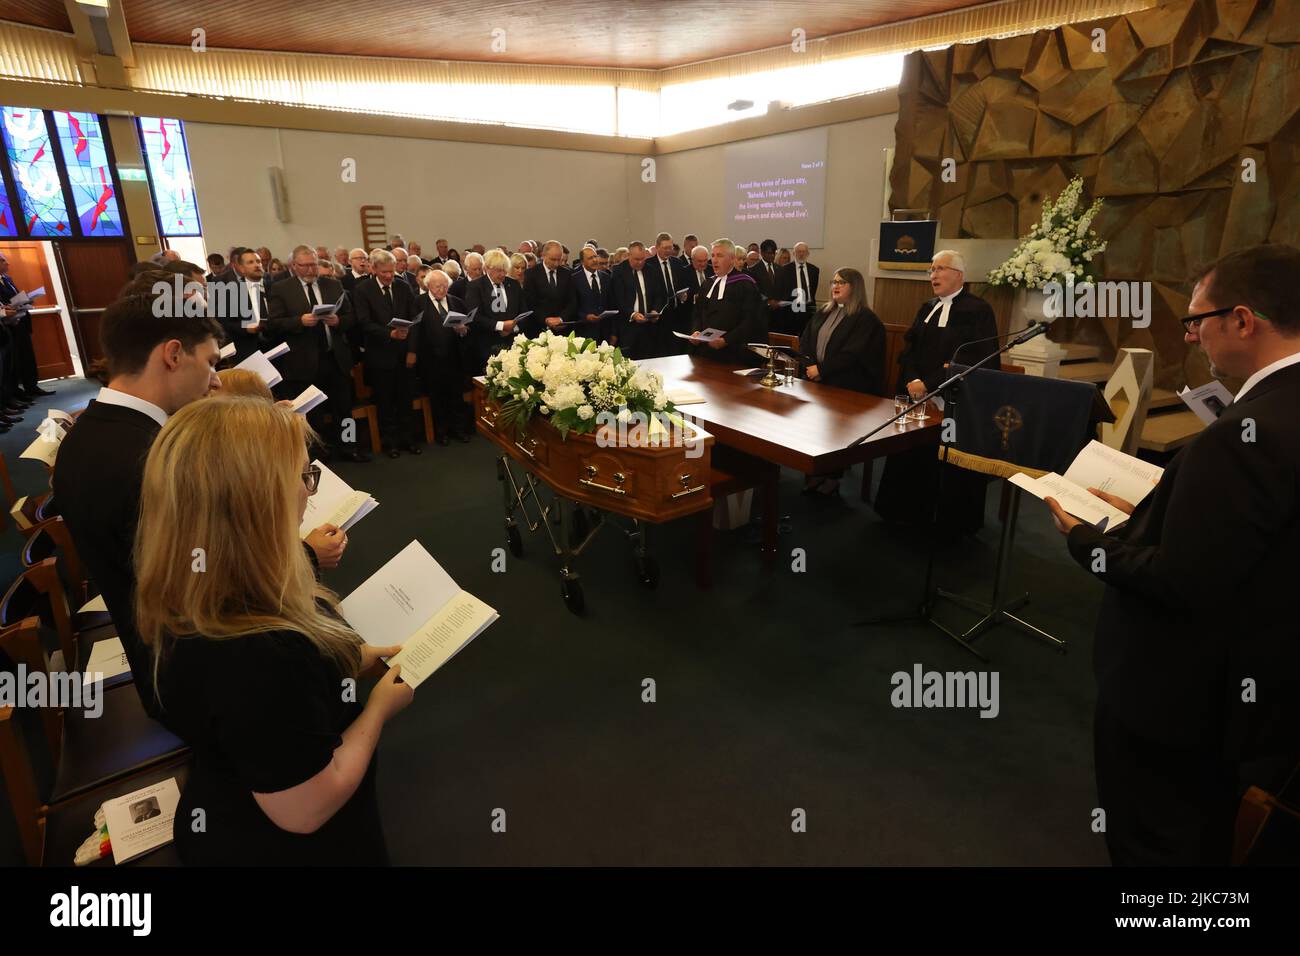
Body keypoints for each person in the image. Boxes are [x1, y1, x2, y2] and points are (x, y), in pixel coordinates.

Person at [1041, 243, 1300, 865]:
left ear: (1242, 320)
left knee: (1159, 845)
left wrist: (1085, 537)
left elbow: (1181, 581)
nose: (1191, 336)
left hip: (1182, 701)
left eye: (1196, 321)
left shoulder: (1246, 438)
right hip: (1268, 684)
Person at [136, 397, 412, 866]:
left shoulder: (194, 584)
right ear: (257, 497)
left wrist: (346, 661)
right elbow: (306, 809)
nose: (309, 491)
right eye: (304, 476)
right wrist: (380, 710)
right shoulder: (260, 653)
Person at [52, 276, 224, 722]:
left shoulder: (89, 433)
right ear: (172, 355)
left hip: (156, 653)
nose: (215, 380)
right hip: (192, 678)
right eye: (209, 363)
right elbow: (200, 588)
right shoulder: (151, 459)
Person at [872, 249, 999, 533]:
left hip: (953, 399)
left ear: (959, 275)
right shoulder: (927, 307)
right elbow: (911, 349)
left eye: (940, 269)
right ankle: (903, 513)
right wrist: (914, 380)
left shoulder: (978, 310)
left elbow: (974, 358)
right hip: (918, 396)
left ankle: (946, 524)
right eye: (931, 270)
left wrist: (930, 383)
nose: (933, 275)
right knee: (912, 455)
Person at [265, 246, 367, 463]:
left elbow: (351, 316)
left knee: (344, 408)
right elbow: (273, 324)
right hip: (303, 360)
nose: (311, 269)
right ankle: (319, 453)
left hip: (334, 356)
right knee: (312, 412)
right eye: (305, 265)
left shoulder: (332, 284)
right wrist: (298, 321)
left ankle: (349, 446)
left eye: (314, 264)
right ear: (294, 266)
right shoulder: (282, 288)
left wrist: (339, 321)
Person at [798, 267, 885, 496]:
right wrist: (809, 366)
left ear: (854, 288)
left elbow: (853, 354)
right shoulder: (823, 312)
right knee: (814, 429)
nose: (835, 286)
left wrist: (822, 370)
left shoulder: (865, 319)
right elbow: (805, 340)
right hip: (817, 383)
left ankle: (832, 476)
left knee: (834, 433)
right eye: (834, 281)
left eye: (842, 283)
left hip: (847, 385)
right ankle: (815, 471)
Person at [353, 249, 421, 457]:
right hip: (380, 355)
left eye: (392, 272)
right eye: (384, 272)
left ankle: (407, 439)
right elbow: (363, 322)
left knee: (405, 400)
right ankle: (390, 443)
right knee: (385, 402)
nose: (389, 276)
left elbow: (415, 319)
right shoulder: (363, 290)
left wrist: (412, 350)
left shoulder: (402, 286)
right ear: (373, 269)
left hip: (404, 354)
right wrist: (389, 334)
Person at [688, 238, 765, 366]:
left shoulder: (745, 284)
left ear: (732, 258)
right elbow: (697, 313)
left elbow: (751, 320)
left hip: (733, 353)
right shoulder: (708, 284)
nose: (714, 260)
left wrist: (726, 340)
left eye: (720, 255)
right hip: (706, 352)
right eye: (712, 255)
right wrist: (695, 332)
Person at [417, 269, 473, 444]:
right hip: (431, 359)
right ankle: (442, 433)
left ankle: (459, 430)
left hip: (454, 358)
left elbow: (468, 329)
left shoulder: (457, 302)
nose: (441, 289)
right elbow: (417, 331)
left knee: (456, 396)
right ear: (428, 286)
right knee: (438, 398)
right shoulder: (419, 302)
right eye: (437, 286)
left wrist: (463, 331)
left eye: (444, 286)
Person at [464, 248, 526, 372]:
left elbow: (523, 311)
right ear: (487, 268)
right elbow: (474, 316)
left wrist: (512, 327)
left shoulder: (513, 284)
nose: (502, 274)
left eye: (504, 270)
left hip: (512, 344)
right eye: (498, 270)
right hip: (486, 346)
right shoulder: (476, 286)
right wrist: (501, 326)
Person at [522, 240, 577, 333]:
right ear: (543, 256)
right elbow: (530, 302)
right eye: (553, 259)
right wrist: (546, 320)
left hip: (563, 328)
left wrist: (561, 319)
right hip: (538, 329)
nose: (556, 263)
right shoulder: (531, 274)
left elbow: (572, 301)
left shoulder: (567, 274)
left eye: (559, 260)